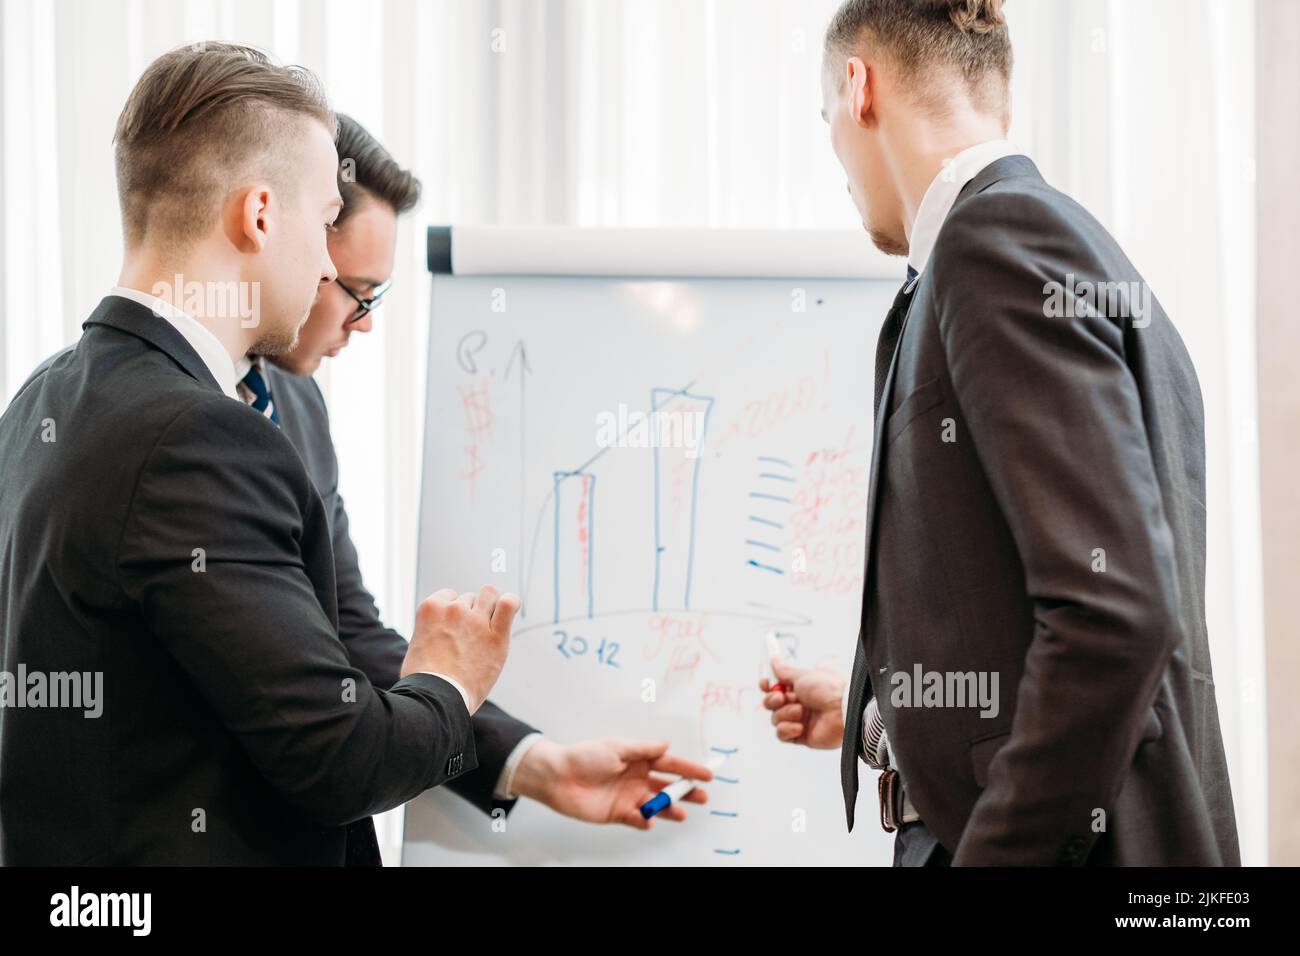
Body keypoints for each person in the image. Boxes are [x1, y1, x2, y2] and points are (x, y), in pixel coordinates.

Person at [0, 42, 519, 865]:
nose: (322, 264)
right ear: (261, 215)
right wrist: (449, 676)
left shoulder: (41, 398)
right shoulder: (196, 437)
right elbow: (342, 761)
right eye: (320, 227)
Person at [761, 0, 1240, 867]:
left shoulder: (993, 241)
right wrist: (888, 715)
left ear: (857, 87)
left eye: (823, 115)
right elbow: (1039, 626)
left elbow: (1114, 622)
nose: (834, 157)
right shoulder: (1058, 245)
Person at [244, 113, 713, 829]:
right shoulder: (168, 422)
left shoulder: (298, 405)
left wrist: (540, 766)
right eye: (356, 292)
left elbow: (351, 633)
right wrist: (448, 677)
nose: (364, 323)